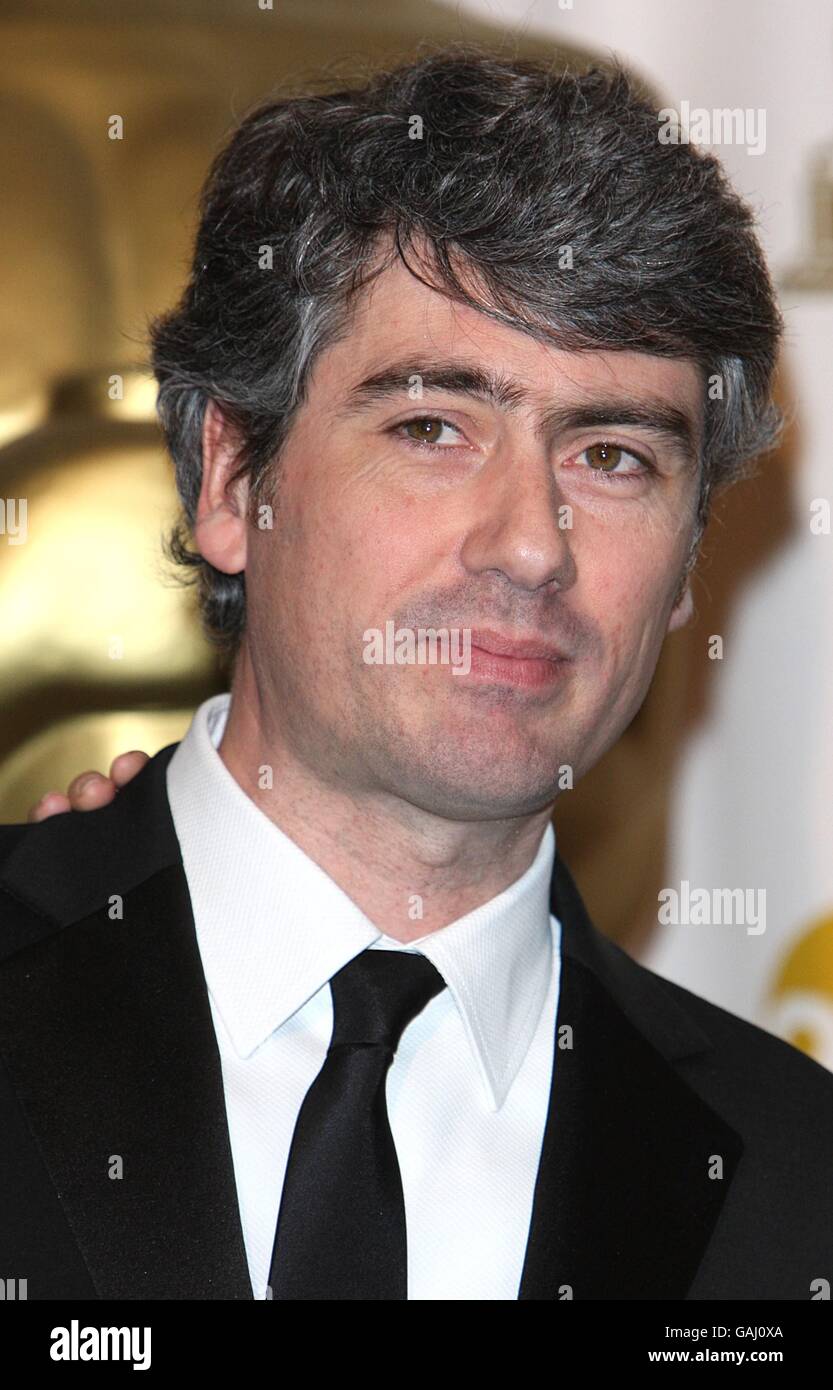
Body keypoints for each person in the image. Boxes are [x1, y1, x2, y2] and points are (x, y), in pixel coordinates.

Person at [4, 49, 832, 1302]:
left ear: (683, 570)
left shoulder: (798, 1186)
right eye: (432, 427)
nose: (531, 545)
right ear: (230, 481)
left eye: (612, 456)